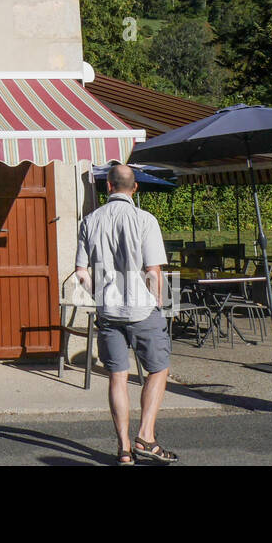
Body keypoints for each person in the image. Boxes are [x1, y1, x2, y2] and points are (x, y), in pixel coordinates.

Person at [75, 163, 178, 465]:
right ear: (135, 188)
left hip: (108, 310)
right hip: (142, 308)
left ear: (107, 186)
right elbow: (153, 271)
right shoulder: (145, 220)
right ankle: (146, 436)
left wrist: (99, 296)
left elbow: (81, 272)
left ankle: (123, 449)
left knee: (117, 377)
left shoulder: (90, 221)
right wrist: (158, 302)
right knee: (158, 370)